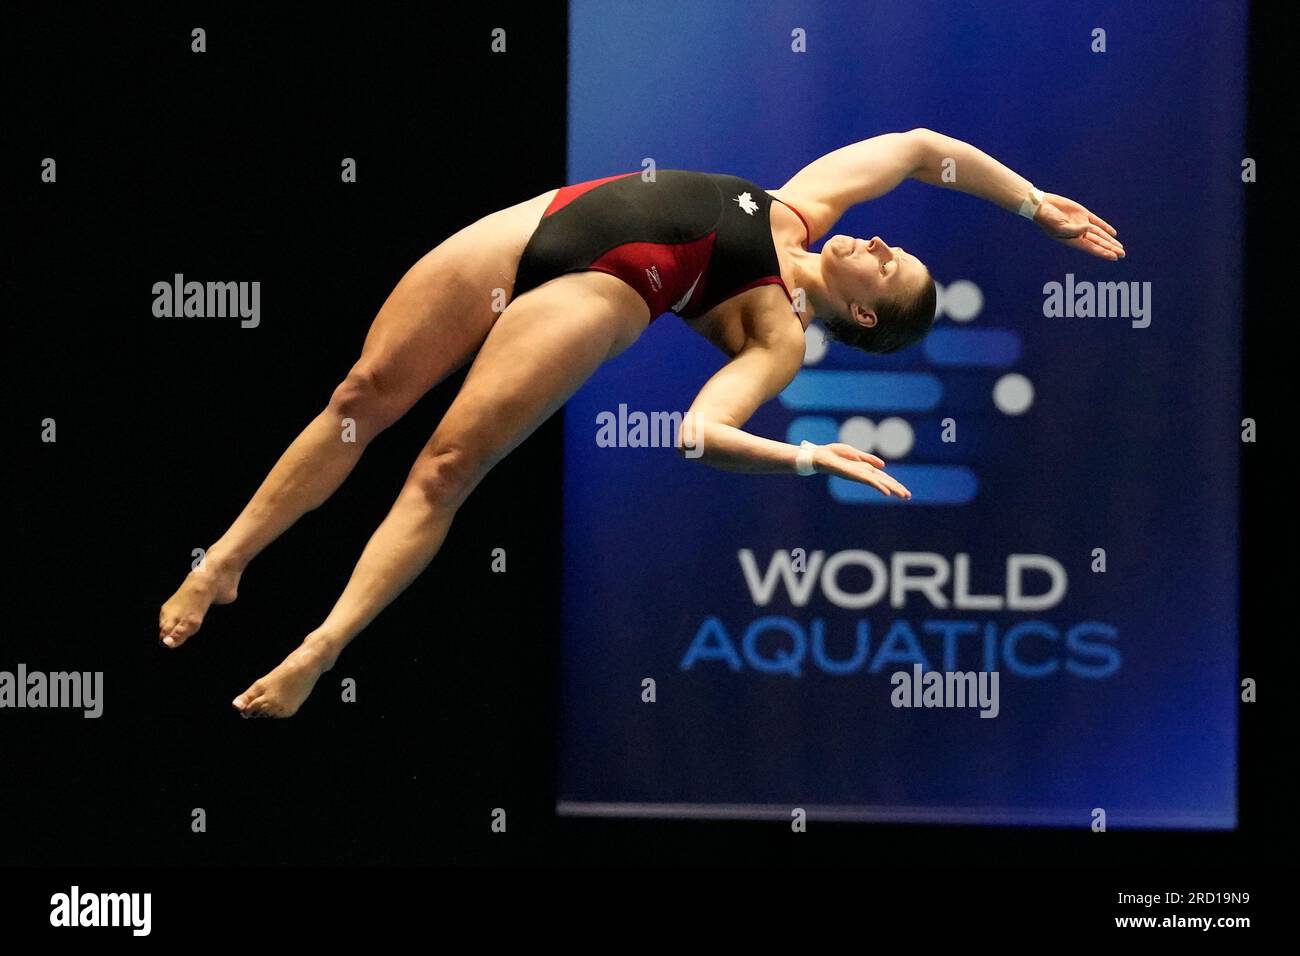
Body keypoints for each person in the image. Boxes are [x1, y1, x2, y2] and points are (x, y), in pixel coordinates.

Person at [158, 128, 1123, 717]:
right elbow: (918, 150)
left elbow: (698, 435)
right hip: (544, 219)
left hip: (603, 289)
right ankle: (227, 561)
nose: (878, 238)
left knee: (443, 467)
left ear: (865, 312)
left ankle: (323, 647)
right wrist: (1035, 205)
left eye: (888, 263)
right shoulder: (805, 205)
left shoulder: (781, 336)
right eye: (889, 239)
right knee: (360, 399)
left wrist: (804, 456)